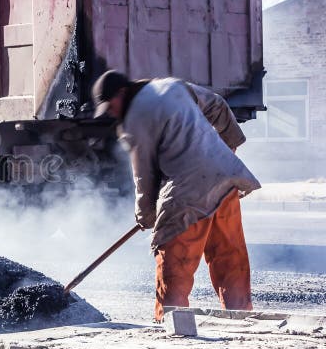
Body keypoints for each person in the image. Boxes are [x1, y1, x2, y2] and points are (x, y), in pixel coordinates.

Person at [91, 70, 261, 322]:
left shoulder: (134, 120)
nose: (111, 113)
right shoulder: (172, 87)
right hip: (226, 178)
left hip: (187, 192)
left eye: (110, 106)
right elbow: (218, 105)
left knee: (173, 261)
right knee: (228, 254)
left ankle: (171, 323)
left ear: (122, 93)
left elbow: (144, 174)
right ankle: (240, 317)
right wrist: (228, 148)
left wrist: (146, 215)